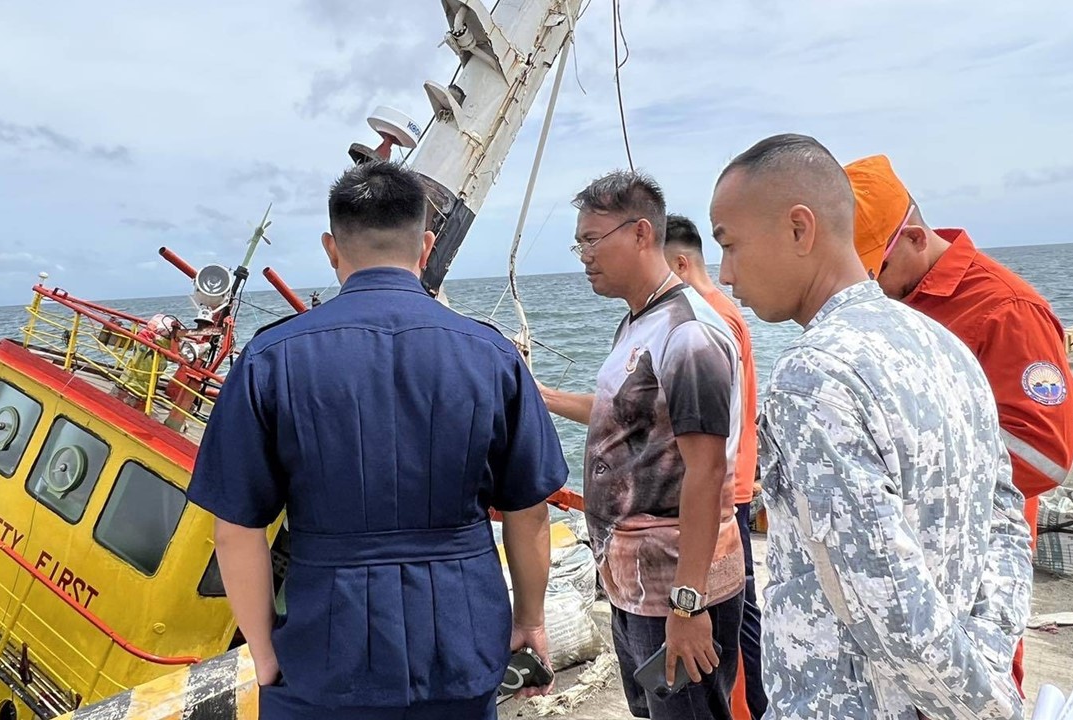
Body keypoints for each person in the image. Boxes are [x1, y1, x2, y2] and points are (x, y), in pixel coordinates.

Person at [186, 160, 569, 720]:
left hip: (322, 653)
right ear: (427, 246)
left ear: (330, 248)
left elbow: (236, 530)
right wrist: (530, 620)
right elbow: (528, 510)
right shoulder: (491, 355)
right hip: (461, 646)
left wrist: (264, 653)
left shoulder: (270, 358)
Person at [707, 133, 1032, 719]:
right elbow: (1005, 526)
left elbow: (888, 608)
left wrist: (988, 713)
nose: (726, 274)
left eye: (730, 246)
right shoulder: (946, 346)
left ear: (800, 230)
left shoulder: (812, 375)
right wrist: (987, 665)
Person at [844, 153, 1073, 693]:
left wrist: (914, 449)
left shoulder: (1006, 309)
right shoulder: (892, 306)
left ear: (915, 238)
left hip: (974, 562)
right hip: (900, 557)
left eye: (873, 273)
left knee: (978, 690)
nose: (868, 290)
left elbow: (1047, 456)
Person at [540, 170, 745, 719]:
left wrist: (688, 604)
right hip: (632, 580)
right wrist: (544, 396)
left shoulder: (688, 334)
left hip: (677, 585)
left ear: (640, 233)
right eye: (578, 241)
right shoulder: (637, 323)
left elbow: (707, 473)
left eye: (592, 238)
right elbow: (627, 418)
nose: (582, 254)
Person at [663, 214, 766, 720]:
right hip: (739, 481)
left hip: (729, 490)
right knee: (742, 612)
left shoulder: (706, 323)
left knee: (732, 617)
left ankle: (748, 708)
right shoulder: (724, 315)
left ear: (680, 263)